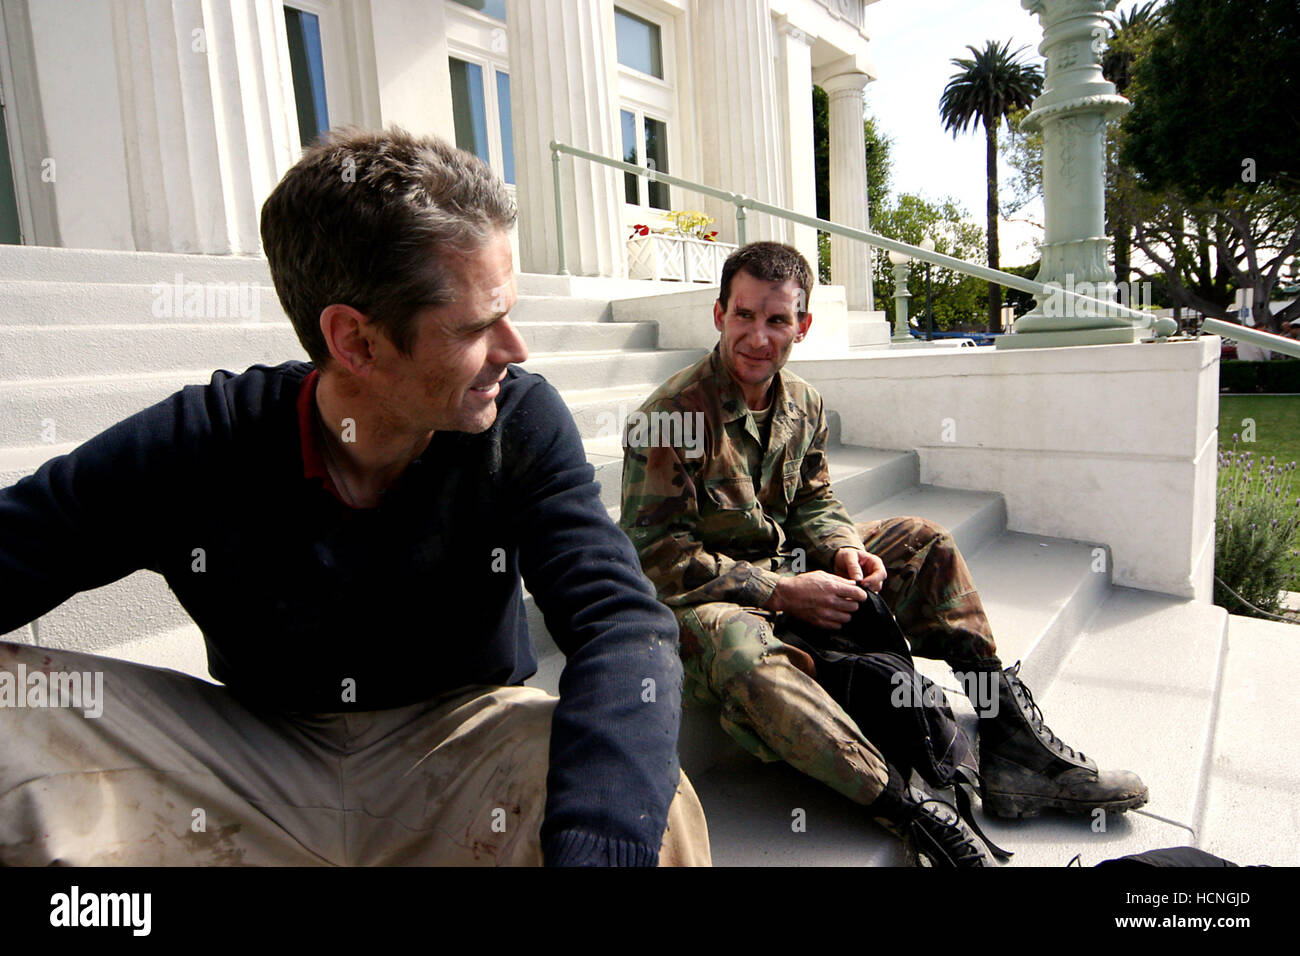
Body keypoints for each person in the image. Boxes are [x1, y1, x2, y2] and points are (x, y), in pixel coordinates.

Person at [0, 128, 709, 867]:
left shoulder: (520, 424)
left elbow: (623, 626)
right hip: (250, 763)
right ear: (357, 342)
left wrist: (599, 848)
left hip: (462, 752)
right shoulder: (204, 439)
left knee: (642, 802)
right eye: (476, 326)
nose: (515, 349)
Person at [619, 240, 1147, 866]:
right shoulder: (669, 417)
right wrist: (783, 591)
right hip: (710, 599)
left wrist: (844, 552)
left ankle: (1008, 739)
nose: (758, 336)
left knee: (923, 542)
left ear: (802, 325)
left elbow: (815, 503)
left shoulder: (803, 405)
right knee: (740, 651)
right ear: (719, 315)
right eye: (744, 315)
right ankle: (907, 810)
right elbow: (658, 558)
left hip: (790, 571)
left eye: (777, 319)